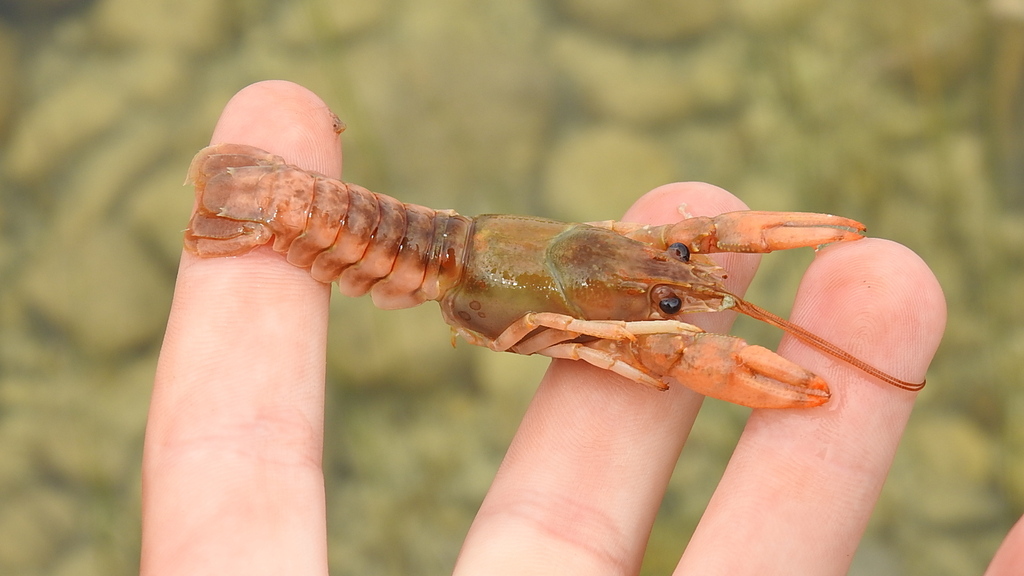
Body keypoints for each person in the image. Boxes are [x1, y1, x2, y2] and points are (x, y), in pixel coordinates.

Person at [139, 80, 994, 575]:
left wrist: (654, 288)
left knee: (647, 270)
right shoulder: (512, 289)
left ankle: (262, 198)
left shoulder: (637, 249)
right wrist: (647, 338)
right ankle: (261, 203)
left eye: (674, 293)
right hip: (402, 244)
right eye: (674, 301)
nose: (682, 289)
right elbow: (600, 335)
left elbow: (660, 258)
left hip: (458, 239)